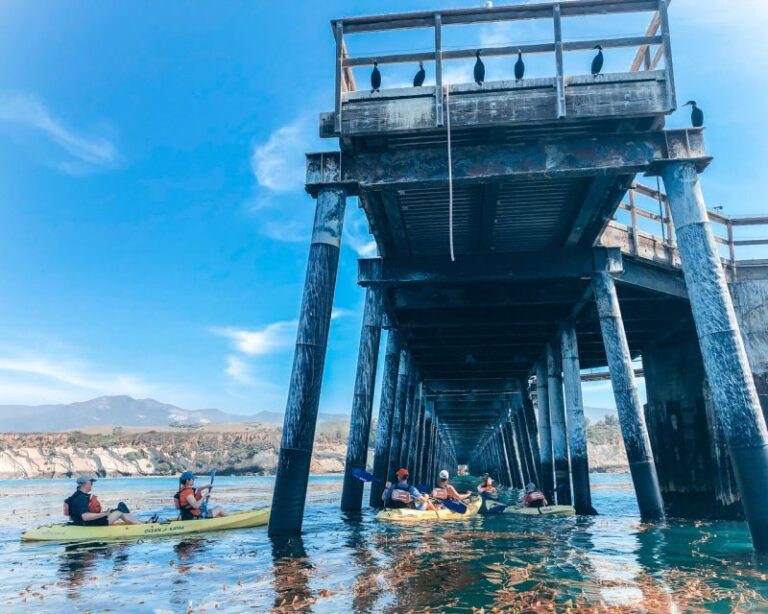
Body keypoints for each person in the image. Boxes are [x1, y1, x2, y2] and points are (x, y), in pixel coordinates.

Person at [64, 475, 143, 526]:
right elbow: (85, 517)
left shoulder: (74, 496)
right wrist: (104, 514)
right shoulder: (82, 498)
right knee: (119, 512)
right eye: (91, 483)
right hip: (87, 523)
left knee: (118, 509)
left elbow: (67, 513)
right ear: (85, 484)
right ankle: (142, 526)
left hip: (79, 522)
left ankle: (139, 523)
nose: (92, 484)